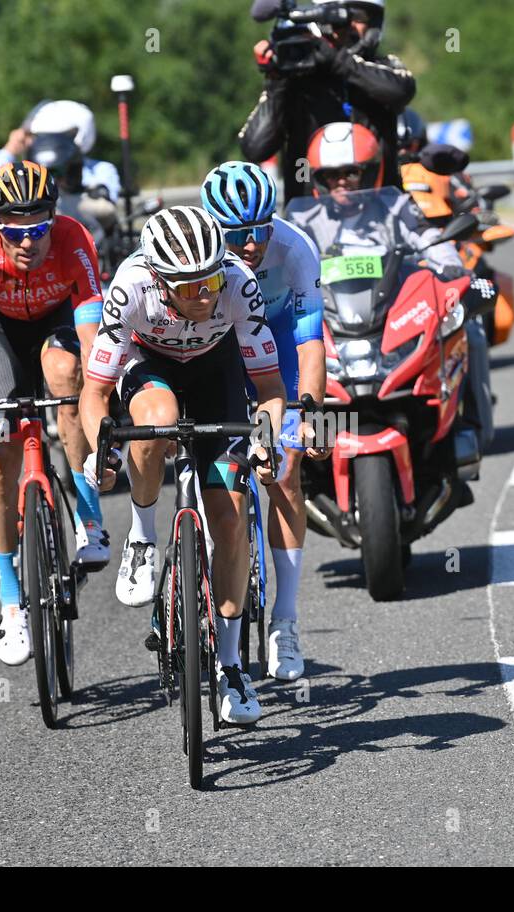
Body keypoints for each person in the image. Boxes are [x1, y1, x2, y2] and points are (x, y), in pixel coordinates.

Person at [79, 206, 287, 724]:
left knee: (233, 519)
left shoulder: (238, 284)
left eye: (211, 278)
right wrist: (99, 450)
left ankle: (232, 665)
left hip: (217, 373)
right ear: (157, 279)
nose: (205, 293)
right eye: (188, 285)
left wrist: (265, 440)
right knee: (155, 423)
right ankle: (143, 536)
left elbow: (268, 388)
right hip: (150, 368)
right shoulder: (130, 290)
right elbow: (95, 392)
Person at [0, 161, 107, 667]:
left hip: (58, 324)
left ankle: (91, 520)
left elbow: (95, 338)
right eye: (14, 231)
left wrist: (98, 396)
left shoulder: (75, 240)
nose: (28, 242)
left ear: (54, 217)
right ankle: (11, 599)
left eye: (38, 228)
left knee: (65, 378)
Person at [201, 160, 331, 682]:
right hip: (218, 354)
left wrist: (316, 419)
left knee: (283, 470)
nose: (251, 243)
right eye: (236, 234)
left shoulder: (295, 249)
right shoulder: (197, 254)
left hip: (279, 352)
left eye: (260, 229)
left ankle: (285, 621)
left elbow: (310, 341)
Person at [291, 121, 495, 447]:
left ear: (370, 171)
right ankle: (282, 450)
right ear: (318, 179)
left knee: (468, 330)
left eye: (351, 172)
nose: (341, 182)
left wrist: (453, 271)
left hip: (389, 315)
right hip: (332, 318)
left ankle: (472, 428)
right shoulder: (305, 221)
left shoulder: (396, 207)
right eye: (331, 175)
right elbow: (287, 261)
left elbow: (431, 240)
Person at [239, 0, 415, 201]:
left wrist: (337, 60)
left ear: (375, 23)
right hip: (311, 218)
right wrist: (276, 81)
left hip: (381, 214)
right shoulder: (298, 79)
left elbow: (401, 91)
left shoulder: (382, 66)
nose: (349, 26)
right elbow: (255, 148)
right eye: (340, 18)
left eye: (358, 17)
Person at [0, 100, 122, 249]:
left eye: (58, 137)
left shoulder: (101, 169)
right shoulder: (28, 171)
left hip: (83, 243)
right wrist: (10, 148)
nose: (49, 144)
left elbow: (107, 208)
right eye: (41, 137)